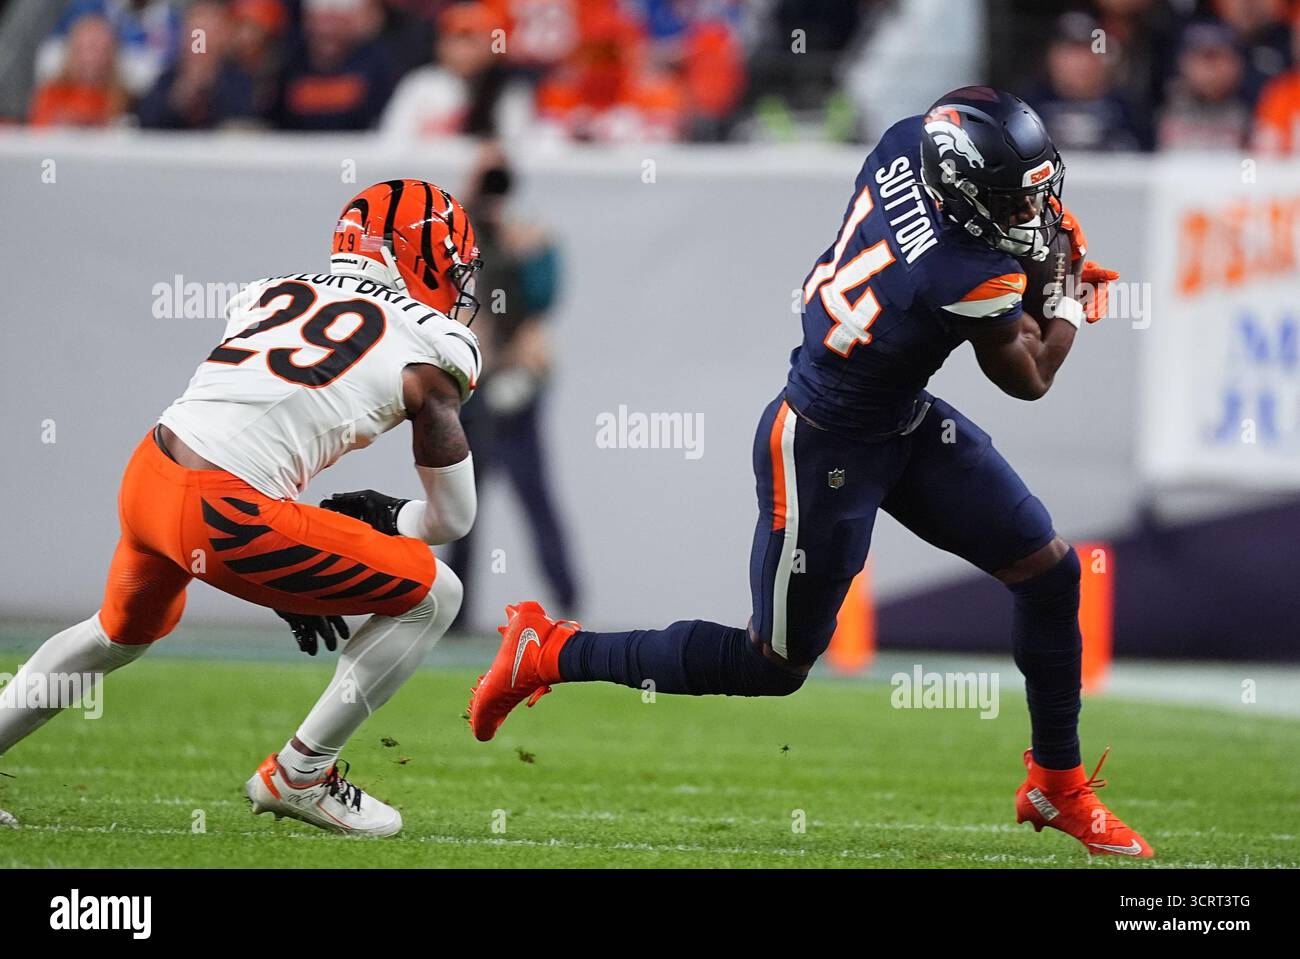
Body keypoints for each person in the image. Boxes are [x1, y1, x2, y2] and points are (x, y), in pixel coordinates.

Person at [469, 86, 1152, 859]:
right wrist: (1065, 298)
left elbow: (977, 259)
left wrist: (1030, 250)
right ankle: (550, 650)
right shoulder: (962, 275)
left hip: (898, 414)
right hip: (824, 447)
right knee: (772, 664)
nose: (1031, 213)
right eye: (1012, 199)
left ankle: (1055, 784)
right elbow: (1029, 375)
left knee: (1050, 574)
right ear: (964, 189)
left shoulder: (904, 143)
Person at [0, 180, 484, 839]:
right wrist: (382, 516)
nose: (458, 284)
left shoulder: (269, 292)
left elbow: (257, 410)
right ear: (415, 253)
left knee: (115, 633)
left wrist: (303, 539)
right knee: (436, 593)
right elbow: (451, 522)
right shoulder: (435, 345)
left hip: (150, 472)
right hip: (225, 511)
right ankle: (302, 772)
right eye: (452, 264)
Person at [446, 151, 580, 626]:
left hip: (513, 391)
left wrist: (535, 251)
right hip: (474, 392)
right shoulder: (458, 239)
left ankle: (568, 605)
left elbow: (541, 304)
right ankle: (454, 612)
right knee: (461, 508)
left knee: (536, 499)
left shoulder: (523, 238)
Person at [136, 0, 258, 130]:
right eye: (194, 33)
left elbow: (243, 121)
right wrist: (178, 99)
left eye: (209, 33)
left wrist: (209, 88)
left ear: (223, 36)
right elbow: (146, 123)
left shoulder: (238, 79)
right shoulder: (168, 80)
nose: (201, 44)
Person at [273, 0, 394, 130]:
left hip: (357, 145)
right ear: (308, 23)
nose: (328, 30)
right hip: (294, 146)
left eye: (335, 22)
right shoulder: (290, 61)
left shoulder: (374, 61)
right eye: (321, 21)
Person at [28, 14, 128, 128]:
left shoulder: (123, 97)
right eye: (88, 48)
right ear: (73, 51)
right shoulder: (51, 92)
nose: (93, 58)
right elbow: (39, 132)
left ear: (112, 53)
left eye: (101, 49)